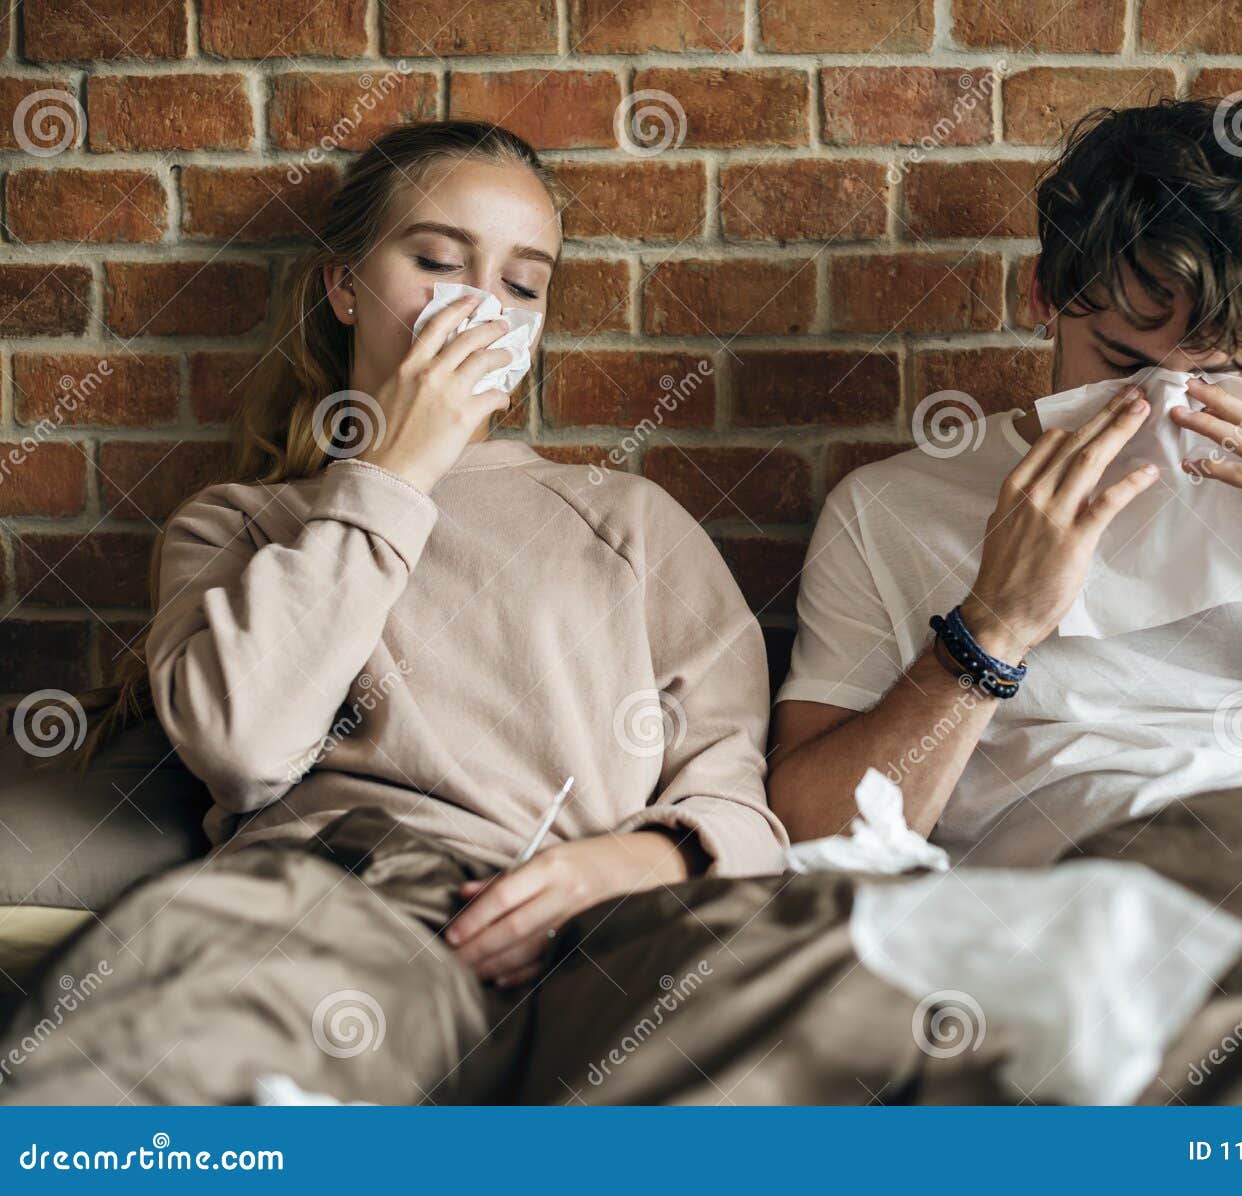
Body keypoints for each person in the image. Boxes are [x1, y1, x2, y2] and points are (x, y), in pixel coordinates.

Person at [0, 119, 785, 1104]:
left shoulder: (630, 521)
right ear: (344, 287)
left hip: (603, 923)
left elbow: (742, 801)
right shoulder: (239, 525)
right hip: (343, 896)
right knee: (158, 1054)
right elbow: (243, 748)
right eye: (439, 263)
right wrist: (395, 470)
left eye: (522, 284)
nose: (480, 306)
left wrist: (624, 864)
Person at [768, 98, 1242, 865]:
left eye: (1221, 376)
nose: (1167, 408)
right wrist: (992, 629)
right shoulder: (890, 507)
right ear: (1045, 296)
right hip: (1078, 893)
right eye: (1123, 363)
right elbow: (809, 835)